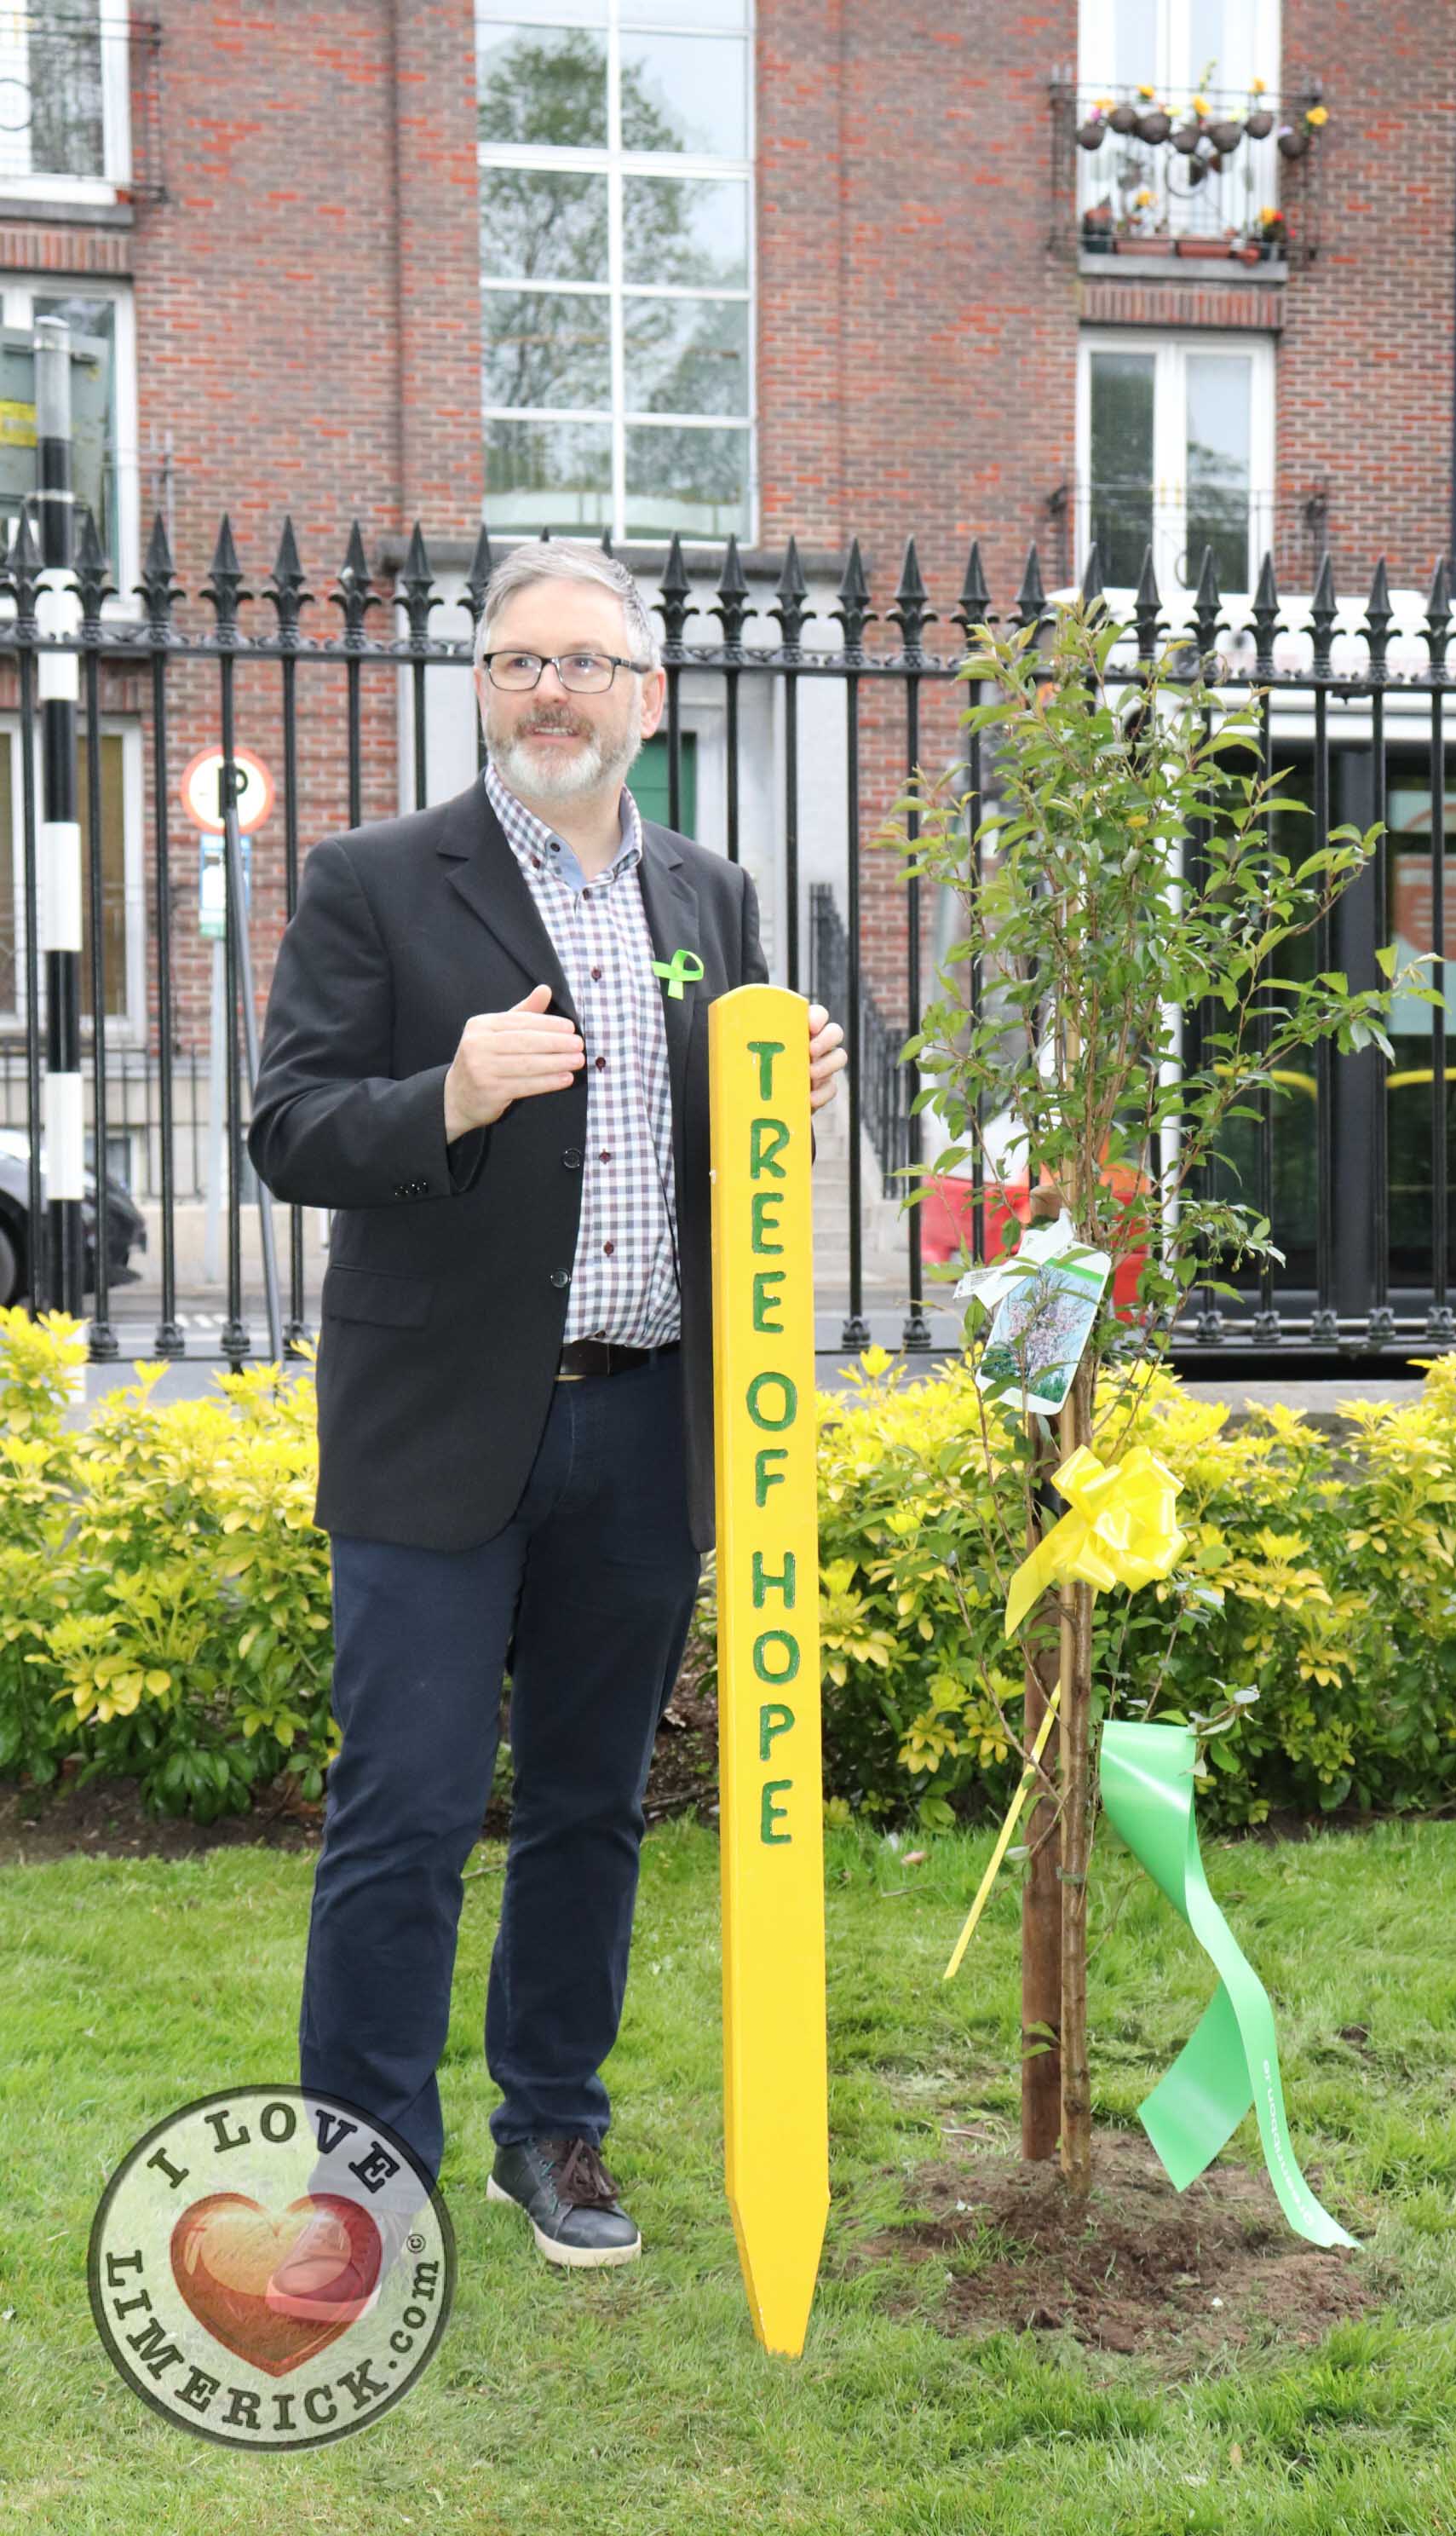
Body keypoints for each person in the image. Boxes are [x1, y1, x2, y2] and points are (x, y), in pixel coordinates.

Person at [247, 539, 847, 2316]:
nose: (550, 691)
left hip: (644, 1425)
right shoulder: (376, 880)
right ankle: (360, 2180)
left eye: (584, 662)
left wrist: (784, 1097)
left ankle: (551, 2129)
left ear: (647, 696)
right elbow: (287, 1130)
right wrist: (450, 1090)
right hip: (438, 1430)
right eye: (518, 663)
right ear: (484, 685)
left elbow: (714, 1169)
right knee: (405, 1812)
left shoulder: (711, 899)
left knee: (590, 1807)